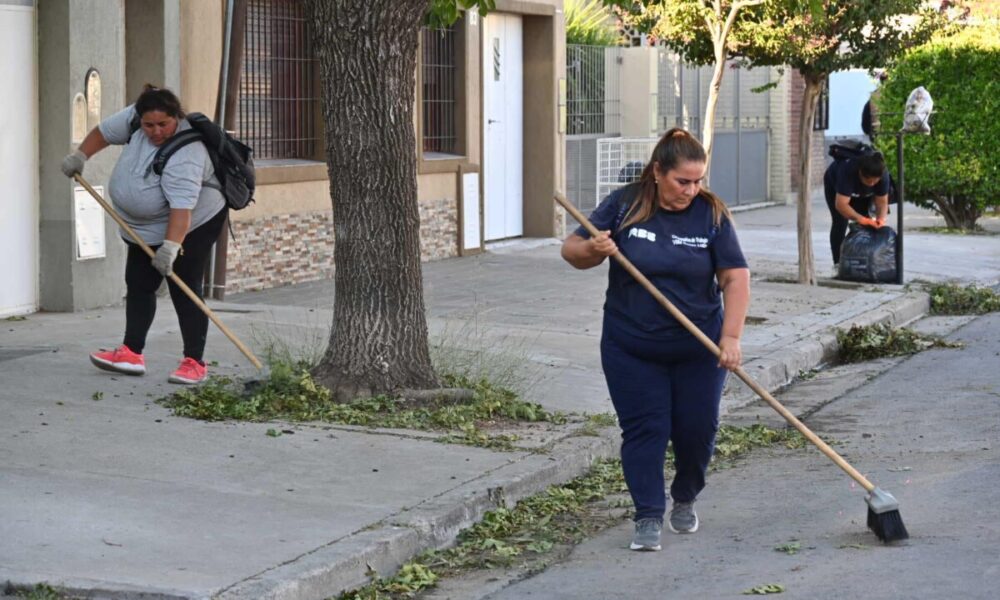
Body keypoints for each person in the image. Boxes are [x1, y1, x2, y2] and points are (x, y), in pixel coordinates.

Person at [561, 128, 751, 552]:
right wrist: (595, 248)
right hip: (631, 346)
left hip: (697, 347)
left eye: (698, 180)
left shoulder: (711, 214)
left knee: (696, 431)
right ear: (658, 172)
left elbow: (735, 278)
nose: (692, 189)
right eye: (683, 181)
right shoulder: (626, 204)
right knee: (647, 429)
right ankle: (647, 513)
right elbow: (571, 251)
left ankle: (684, 496)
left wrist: (731, 337)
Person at [60, 85, 227, 384]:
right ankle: (131, 353)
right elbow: (103, 132)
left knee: (183, 285)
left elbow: (181, 211)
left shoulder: (187, 153)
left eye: (163, 124)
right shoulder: (135, 118)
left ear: (176, 116)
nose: (156, 131)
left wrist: (170, 249)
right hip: (143, 227)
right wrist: (80, 155)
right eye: (149, 125)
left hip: (195, 221)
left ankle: (194, 362)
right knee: (138, 283)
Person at [823, 150, 890, 273]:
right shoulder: (847, 170)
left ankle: (864, 261)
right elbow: (841, 205)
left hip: (862, 194)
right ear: (860, 173)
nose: (872, 184)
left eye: (875, 181)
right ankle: (838, 264)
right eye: (869, 181)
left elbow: (882, 202)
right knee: (840, 222)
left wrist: (880, 220)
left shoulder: (883, 176)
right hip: (836, 189)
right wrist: (862, 219)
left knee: (867, 225)